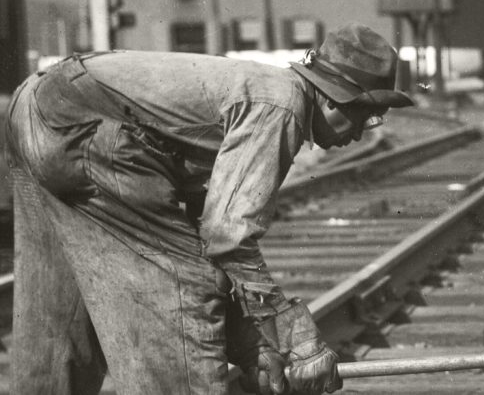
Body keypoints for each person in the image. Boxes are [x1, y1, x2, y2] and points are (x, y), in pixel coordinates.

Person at [3, 23, 414, 394]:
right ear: (335, 99)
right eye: (368, 118)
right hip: (85, 128)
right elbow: (227, 238)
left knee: (60, 320)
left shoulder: (257, 90)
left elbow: (205, 232)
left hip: (37, 107)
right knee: (183, 296)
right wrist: (298, 340)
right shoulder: (282, 106)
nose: (361, 133)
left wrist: (253, 343)